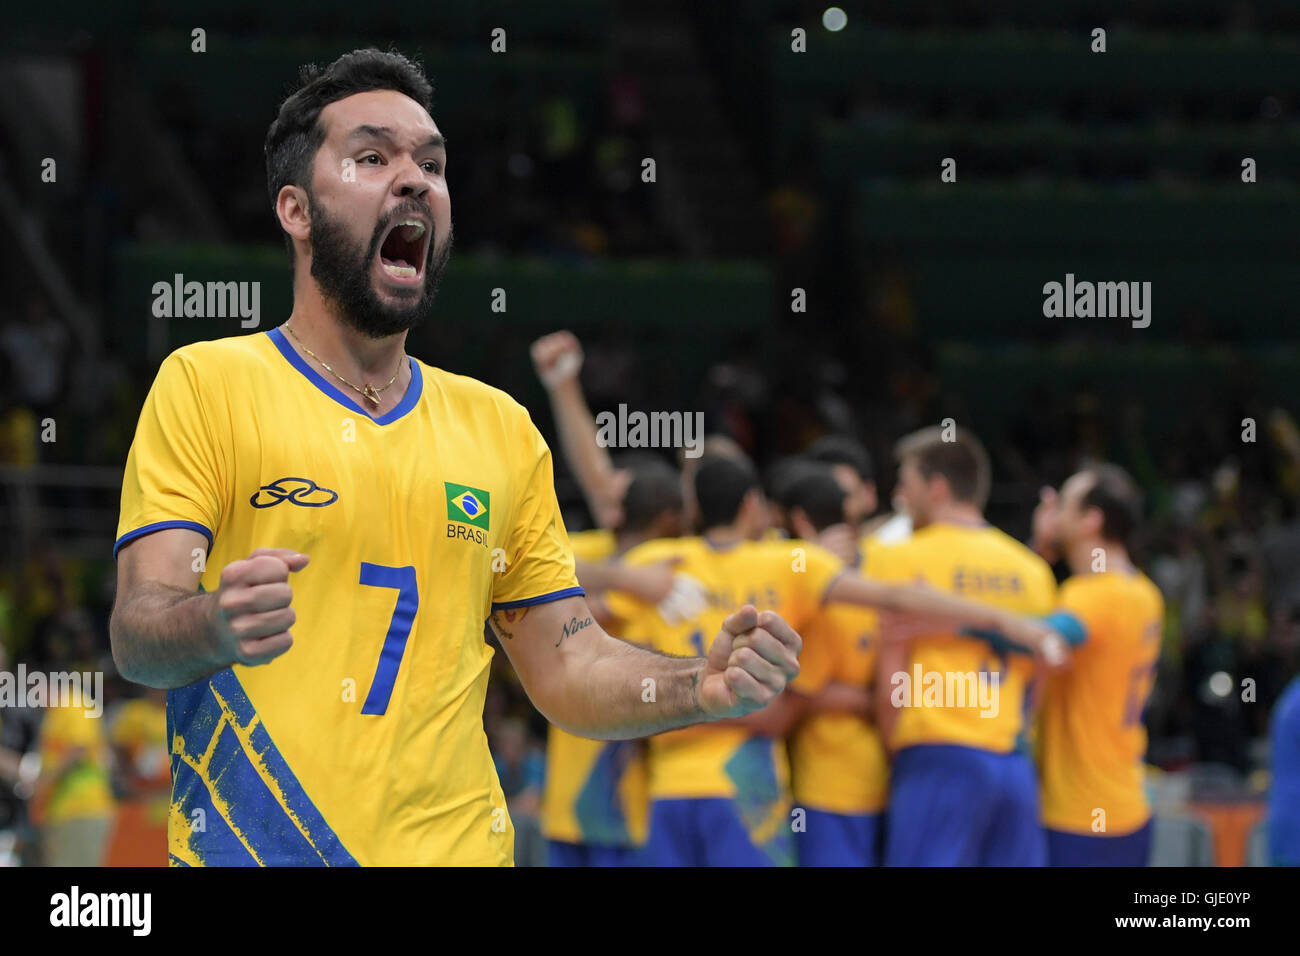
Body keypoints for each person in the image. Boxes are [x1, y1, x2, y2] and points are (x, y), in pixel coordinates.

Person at [109, 49, 807, 867]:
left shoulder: (500, 427)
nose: (414, 180)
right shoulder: (207, 384)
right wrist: (212, 624)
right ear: (295, 210)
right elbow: (138, 630)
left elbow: (567, 661)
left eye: (431, 164)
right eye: (373, 157)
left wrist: (698, 685)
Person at [606, 454, 1065, 866]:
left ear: (693, 509)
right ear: (752, 505)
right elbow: (899, 598)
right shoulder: (792, 564)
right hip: (753, 793)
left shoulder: (656, 565)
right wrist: (1007, 623)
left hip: (669, 789)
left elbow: (570, 614)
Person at [873, 426, 1061, 867]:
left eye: (906, 483)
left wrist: (894, 747)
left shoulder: (895, 558)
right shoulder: (1032, 570)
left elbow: (889, 667)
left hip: (935, 755)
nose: (900, 495)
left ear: (937, 488)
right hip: (1012, 763)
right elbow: (1045, 670)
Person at [1031, 465, 1165, 866]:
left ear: (1092, 520)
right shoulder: (1143, 592)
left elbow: (1026, 637)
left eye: (1064, 505)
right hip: (1127, 804)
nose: (1053, 513)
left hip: (1080, 816)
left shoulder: (1092, 595)